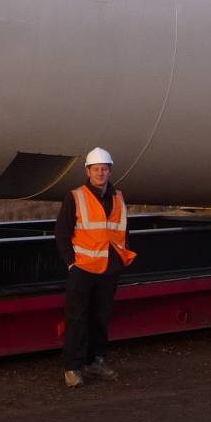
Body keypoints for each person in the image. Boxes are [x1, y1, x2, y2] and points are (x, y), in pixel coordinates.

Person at [56, 146, 136, 388]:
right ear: (87, 171)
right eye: (96, 169)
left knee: (101, 318)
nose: (100, 173)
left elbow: (121, 230)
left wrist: (120, 260)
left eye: (104, 169)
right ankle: (73, 367)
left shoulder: (118, 197)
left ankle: (96, 361)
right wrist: (72, 263)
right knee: (77, 318)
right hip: (83, 268)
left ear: (110, 171)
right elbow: (61, 232)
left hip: (109, 268)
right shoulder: (76, 196)